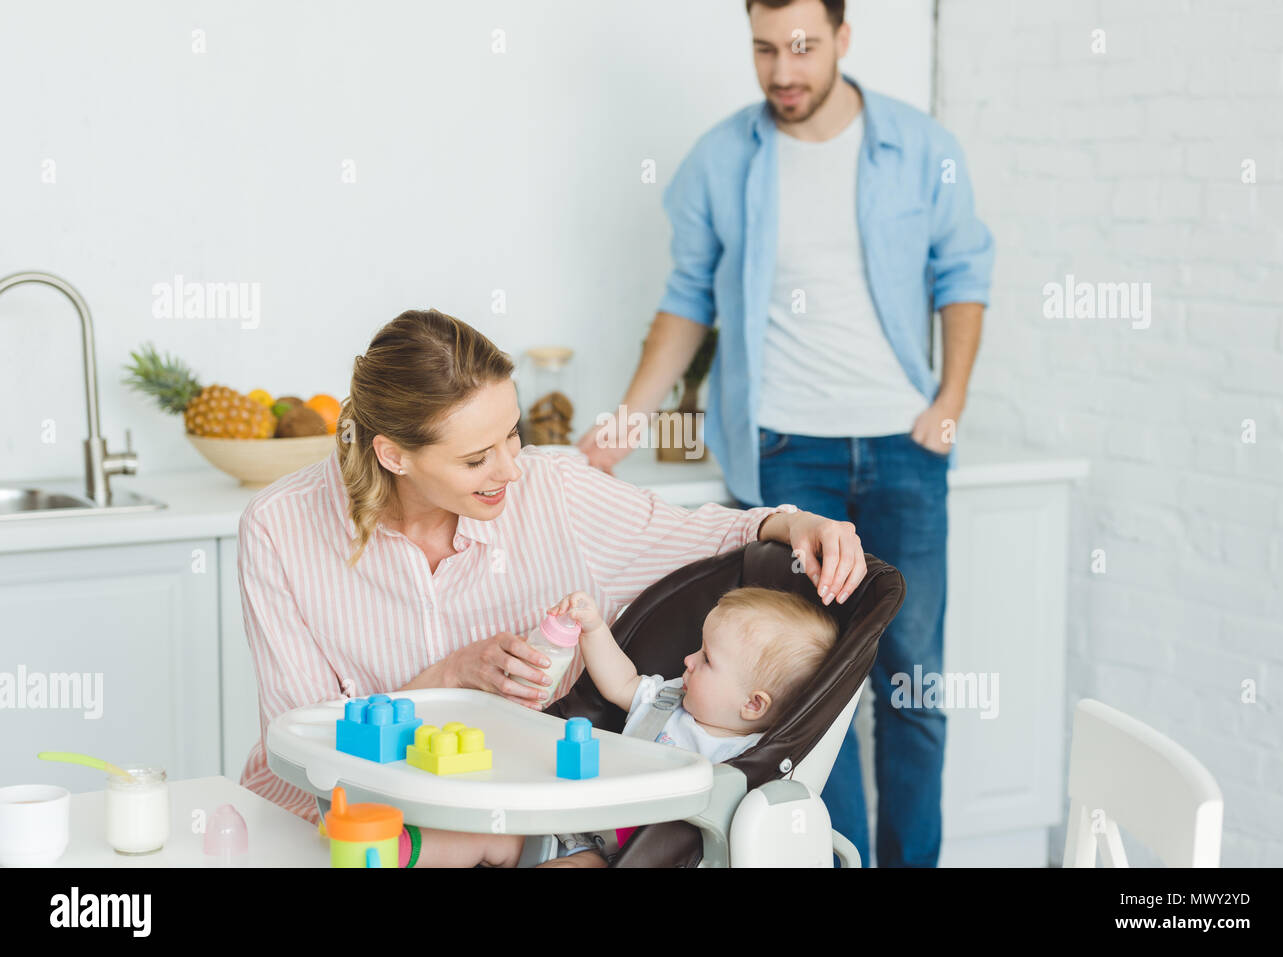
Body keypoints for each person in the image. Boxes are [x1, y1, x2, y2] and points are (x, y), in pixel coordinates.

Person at [577, 0, 994, 866]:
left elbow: (963, 272)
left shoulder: (920, 149)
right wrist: (626, 421)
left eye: (803, 47)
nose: (783, 71)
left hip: (901, 449)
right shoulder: (721, 160)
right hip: (783, 455)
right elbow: (686, 299)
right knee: (806, 701)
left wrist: (948, 400)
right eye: (765, 49)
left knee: (912, 686)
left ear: (844, 37)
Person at [237, 307, 869, 868]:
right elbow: (307, 746)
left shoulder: (553, 490)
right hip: (334, 830)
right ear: (394, 455)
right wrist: (449, 679)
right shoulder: (280, 528)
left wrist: (796, 522)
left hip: (519, 825)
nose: (512, 469)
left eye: (513, 435)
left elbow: (703, 536)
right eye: (477, 457)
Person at [392, 585, 837, 867]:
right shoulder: (667, 700)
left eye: (706, 660)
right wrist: (592, 627)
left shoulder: (744, 760)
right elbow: (620, 680)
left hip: (617, 856)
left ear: (753, 704)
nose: (687, 660)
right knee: (482, 836)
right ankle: (390, 852)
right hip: (563, 820)